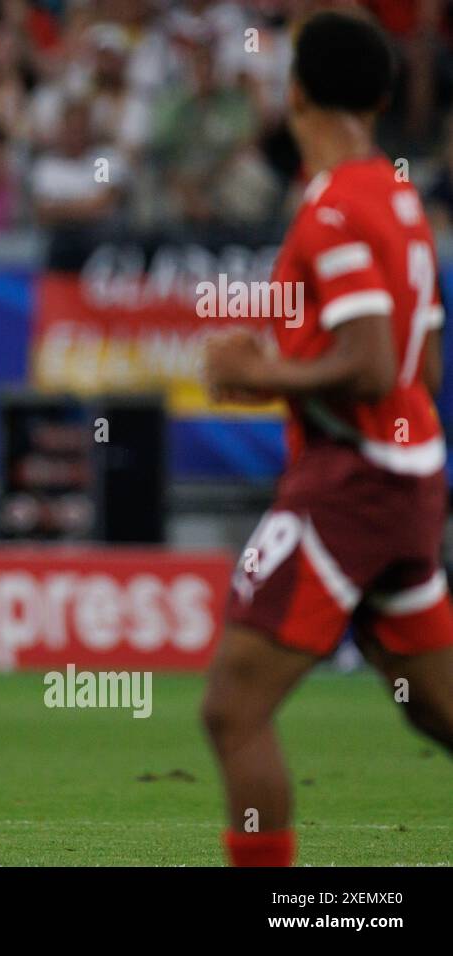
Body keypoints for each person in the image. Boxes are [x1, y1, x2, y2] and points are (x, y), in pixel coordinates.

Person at [202, 10, 453, 867]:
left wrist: (261, 375)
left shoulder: (334, 207)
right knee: (434, 706)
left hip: (357, 481)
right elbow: (419, 355)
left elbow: (376, 362)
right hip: (409, 472)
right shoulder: (396, 193)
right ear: (382, 97)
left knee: (233, 707)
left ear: (295, 89)